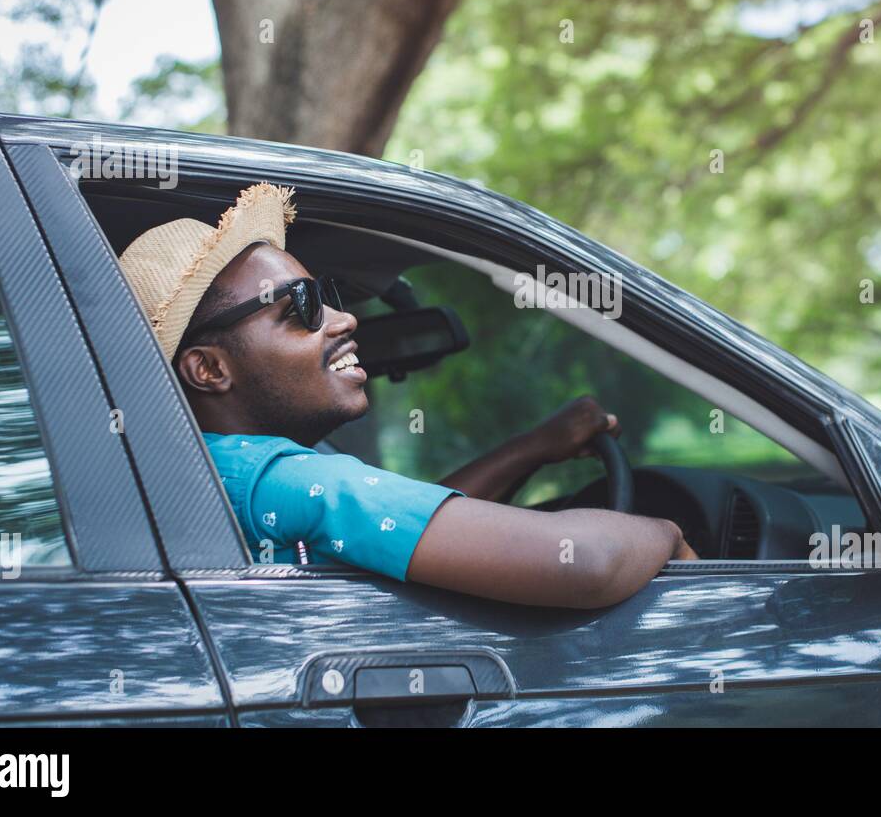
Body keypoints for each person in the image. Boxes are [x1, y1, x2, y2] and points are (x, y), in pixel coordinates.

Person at [117, 182, 696, 609]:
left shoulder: (215, 473)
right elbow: (585, 565)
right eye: (301, 307)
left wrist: (534, 447)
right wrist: (666, 534)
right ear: (208, 368)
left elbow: (411, 520)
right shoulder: (281, 479)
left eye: (329, 295)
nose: (343, 319)